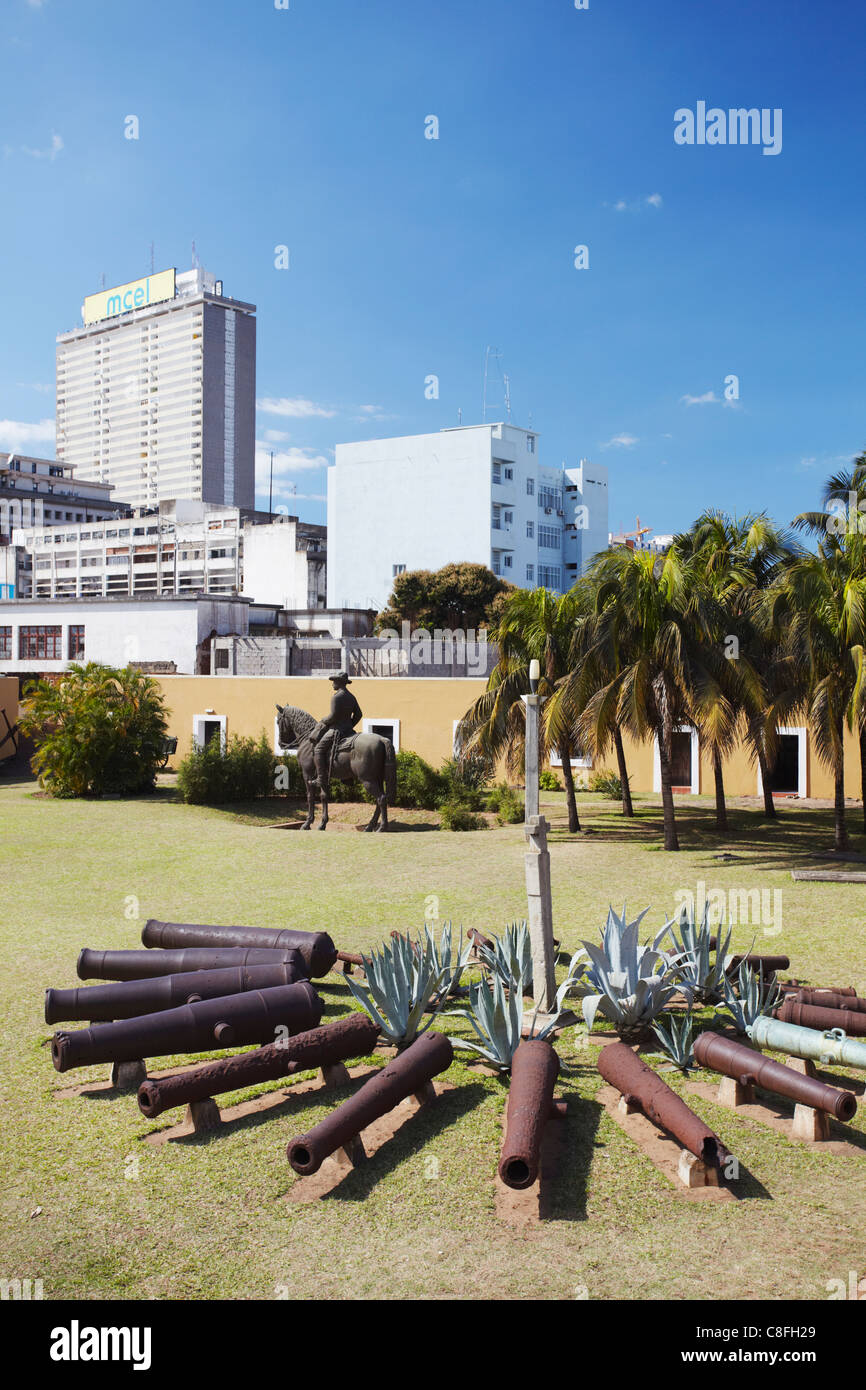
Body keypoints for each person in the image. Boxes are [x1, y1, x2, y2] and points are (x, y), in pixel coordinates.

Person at [310, 671, 363, 790]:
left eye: (334, 681)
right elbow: (359, 714)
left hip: (336, 730)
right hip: (349, 731)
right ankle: (347, 777)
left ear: (339, 682)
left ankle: (321, 778)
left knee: (318, 749)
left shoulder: (337, 697)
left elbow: (333, 716)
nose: (332, 683)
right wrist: (350, 725)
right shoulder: (351, 697)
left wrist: (323, 720)